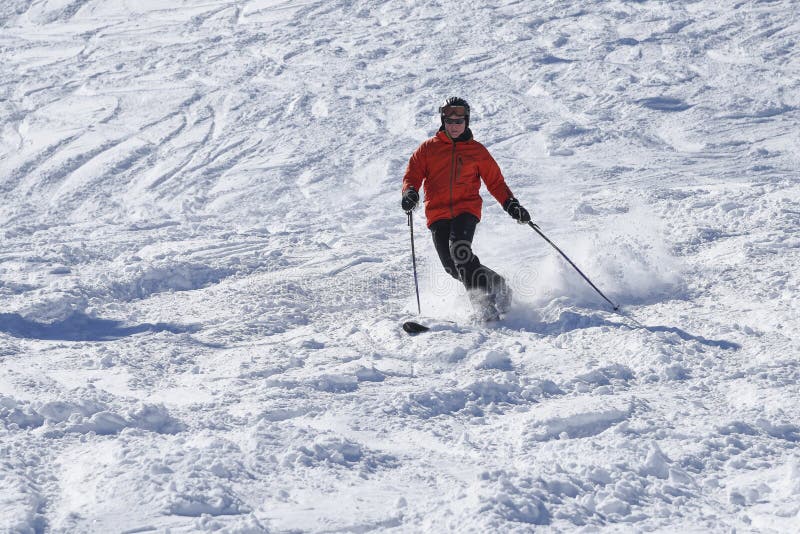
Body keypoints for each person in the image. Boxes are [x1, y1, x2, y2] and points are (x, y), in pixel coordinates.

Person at [401, 96, 531, 321]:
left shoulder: (477, 151)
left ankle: (483, 307)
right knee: (452, 267)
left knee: (460, 252)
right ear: (443, 122)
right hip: (438, 214)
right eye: (450, 122)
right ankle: (497, 284)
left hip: (466, 210)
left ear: (467, 122)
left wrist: (511, 205)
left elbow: (496, 182)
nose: (454, 126)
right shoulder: (428, 150)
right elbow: (412, 175)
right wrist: (410, 192)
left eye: (459, 122)